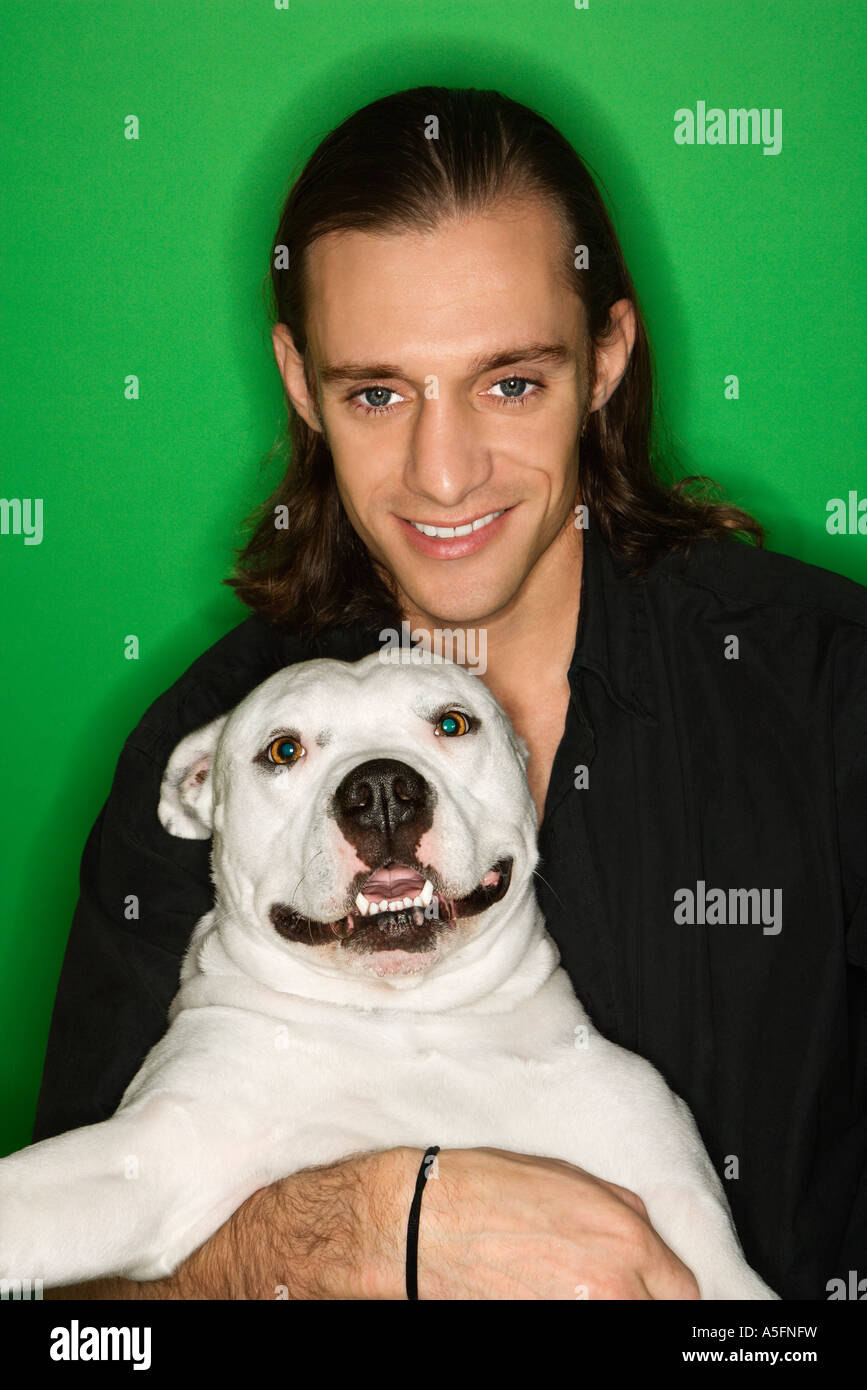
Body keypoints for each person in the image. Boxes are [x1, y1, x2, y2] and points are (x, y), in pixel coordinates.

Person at [34, 86, 866, 1301]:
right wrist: (356, 1235)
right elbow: (74, 1318)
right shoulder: (211, 744)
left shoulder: (827, 688)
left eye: (509, 383)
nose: (443, 471)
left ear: (607, 362)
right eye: (378, 392)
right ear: (302, 384)